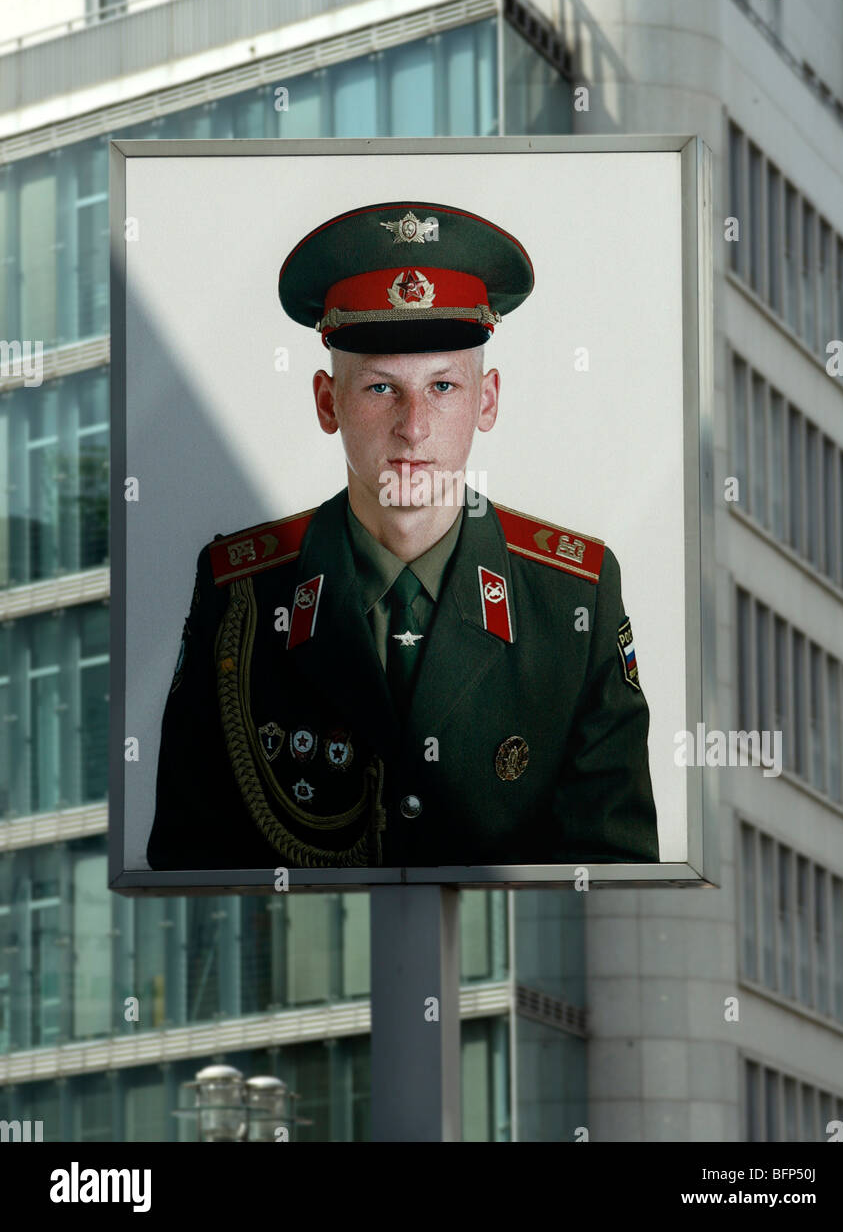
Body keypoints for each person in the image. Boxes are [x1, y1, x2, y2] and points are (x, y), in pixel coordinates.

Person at [146, 201, 658, 869]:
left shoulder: (572, 600)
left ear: (488, 400)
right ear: (328, 403)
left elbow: (616, 876)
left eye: (443, 386)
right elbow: (188, 866)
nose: (413, 427)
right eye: (382, 389)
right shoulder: (240, 595)